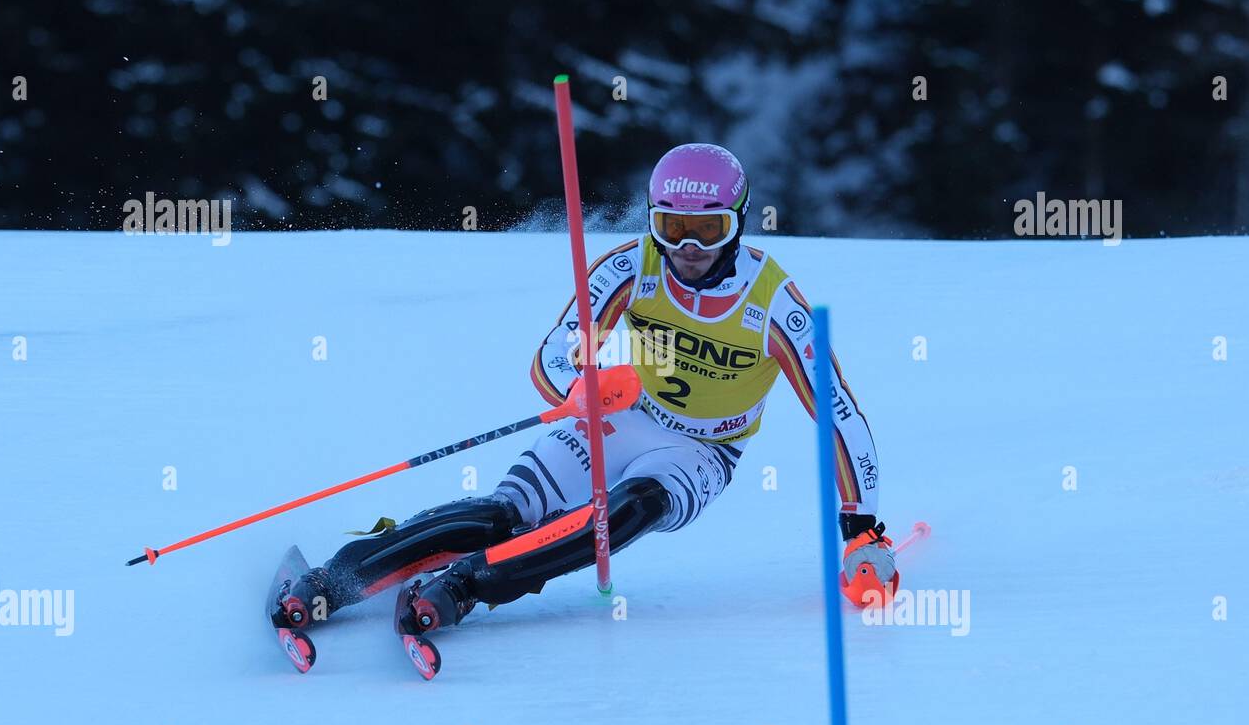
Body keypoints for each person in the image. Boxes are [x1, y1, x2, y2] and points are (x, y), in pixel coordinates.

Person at [279, 143, 894, 636]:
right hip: (621, 412)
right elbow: (551, 356)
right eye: (671, 226)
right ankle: (333, 583)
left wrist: (860, 526)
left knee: (628, 510)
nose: (687, 249)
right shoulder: (631, 267)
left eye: (707, 231)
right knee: (505, 513)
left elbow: (838, 417)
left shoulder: (774, 304)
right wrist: (584, 381)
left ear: (736, 225)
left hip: (704, 451)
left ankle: (464, 587)